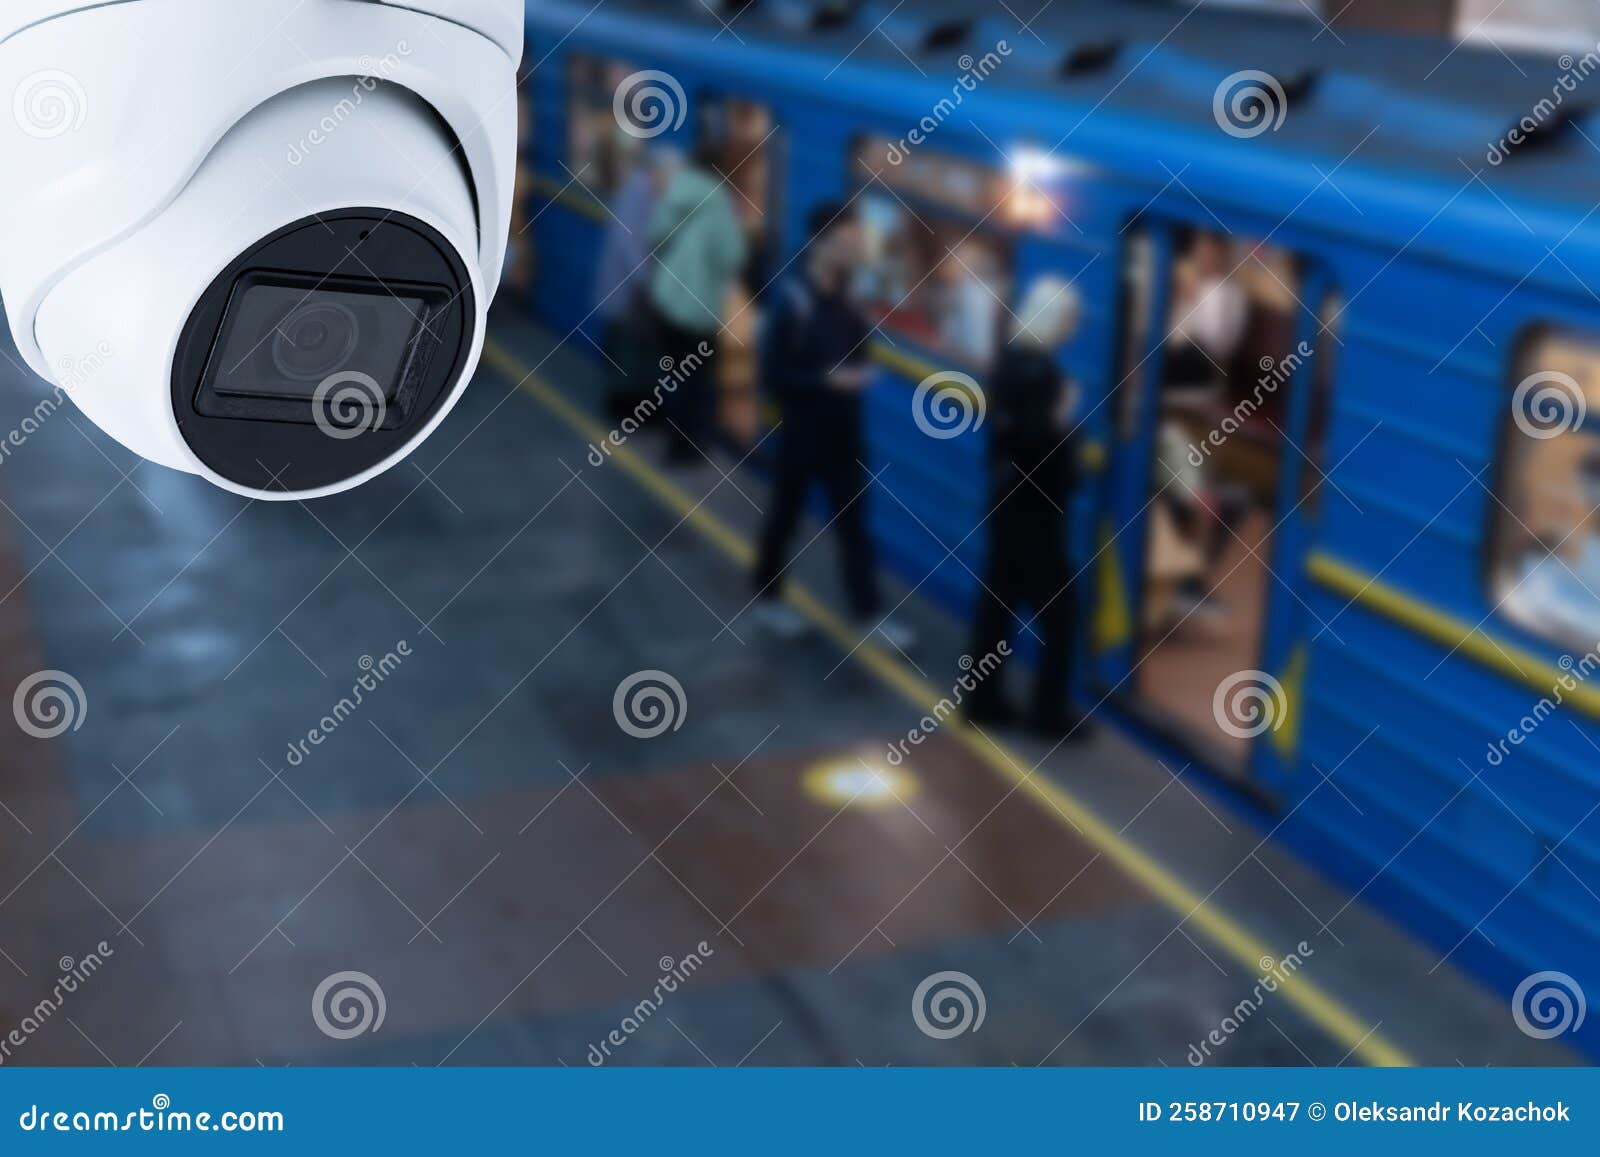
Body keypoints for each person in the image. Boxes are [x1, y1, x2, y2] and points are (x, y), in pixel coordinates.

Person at [751, 203, 914, 651]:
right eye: (848, 241)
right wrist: (826, 379)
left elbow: (862, 352)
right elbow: (771, 376)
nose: (857, 249)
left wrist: (857, 369)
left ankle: (868, 613)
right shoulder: (794, 301)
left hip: (844, 433)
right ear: (821, 243)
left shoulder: (851, 298)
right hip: (802, 432)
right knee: (785, 516)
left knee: (854, 524)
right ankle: (767, 597)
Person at [963, 276, 1088, 738]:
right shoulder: (1041, 373)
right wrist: (1065, 412)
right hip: (1035, 512)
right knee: (1062, 615)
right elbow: (1036, 440)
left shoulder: (1009, 361)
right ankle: (1049, 716)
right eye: (1072, 317)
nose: (1076, 326)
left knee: (997, 605)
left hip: (1006, 503)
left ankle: (982, 700)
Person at [645, 141, 746, 463]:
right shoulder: (720, 206)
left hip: (666, 299)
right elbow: (731, 256)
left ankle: (672, 437)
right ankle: (690, 446)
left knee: (673, 373)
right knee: (699, 380)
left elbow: (653, 235)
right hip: (698, 308)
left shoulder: (676, 193)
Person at [593, 144, 673, 422]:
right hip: (626, 291)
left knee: (634, 353)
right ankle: (623, 408)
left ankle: (633, 405)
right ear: (657, 172)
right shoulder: (637, 193)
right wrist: (648, 278)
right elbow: (629, 245)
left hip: (632, 292)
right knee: (627, 353)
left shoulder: (644, 192)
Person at [1165, 232, 1247, 390]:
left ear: (1221, 254)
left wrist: (1192, 299)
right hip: (1185, 357)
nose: (1200, 257)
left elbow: (1214, 342)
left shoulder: (1222, 290)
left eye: (1206, 251)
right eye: (1198, 250)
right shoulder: (1201, 285)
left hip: (1203, 366)